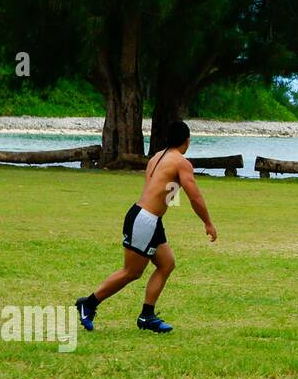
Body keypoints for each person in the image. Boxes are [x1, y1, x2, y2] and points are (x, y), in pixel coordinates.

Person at [75, 121, 218, 334]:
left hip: (146, 218)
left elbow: (162, 191)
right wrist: (207, 222)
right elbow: (194, 196)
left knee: (166, 264)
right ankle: (89, 303)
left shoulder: (157, 157)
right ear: (187, 141)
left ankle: (147, 315)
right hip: (145, 220)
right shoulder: (181, 162)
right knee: (131, 272)